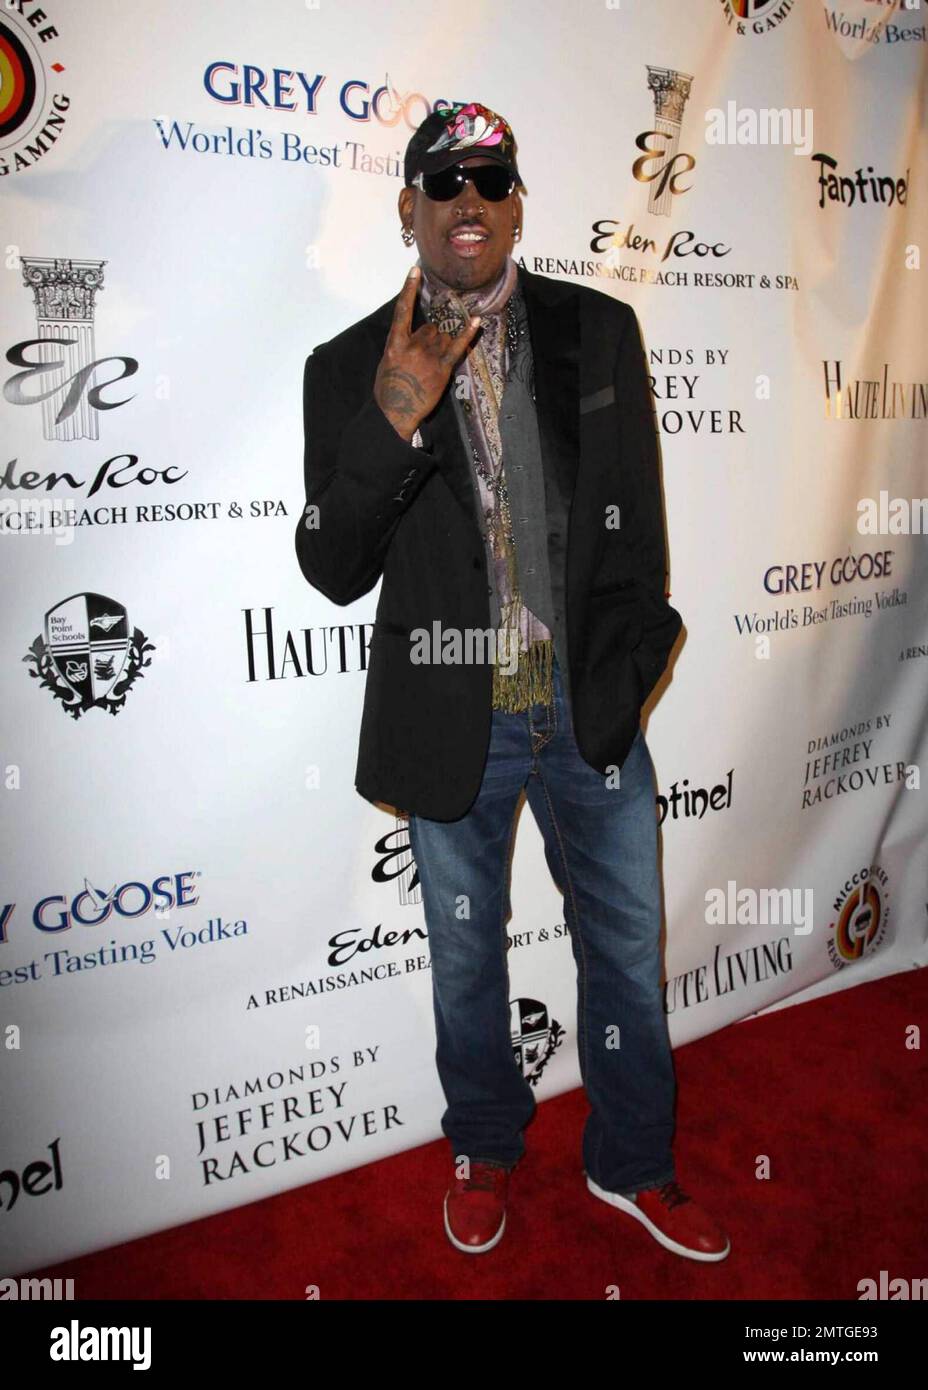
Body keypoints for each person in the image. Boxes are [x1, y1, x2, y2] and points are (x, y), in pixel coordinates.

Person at [295, 101, 729, 1262]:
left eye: (491, 180)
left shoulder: (599, 330)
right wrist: (393, 418)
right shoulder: (345, 368)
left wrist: (626, 680)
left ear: (518, 201)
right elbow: (330, 565)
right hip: (454, 722)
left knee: (627, 950)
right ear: (410, 210)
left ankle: (632, 1160)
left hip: (586, 709)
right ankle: (485, 1142)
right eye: (445, 184)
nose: (469, 201)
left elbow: (637, 531)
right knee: (465, 956)